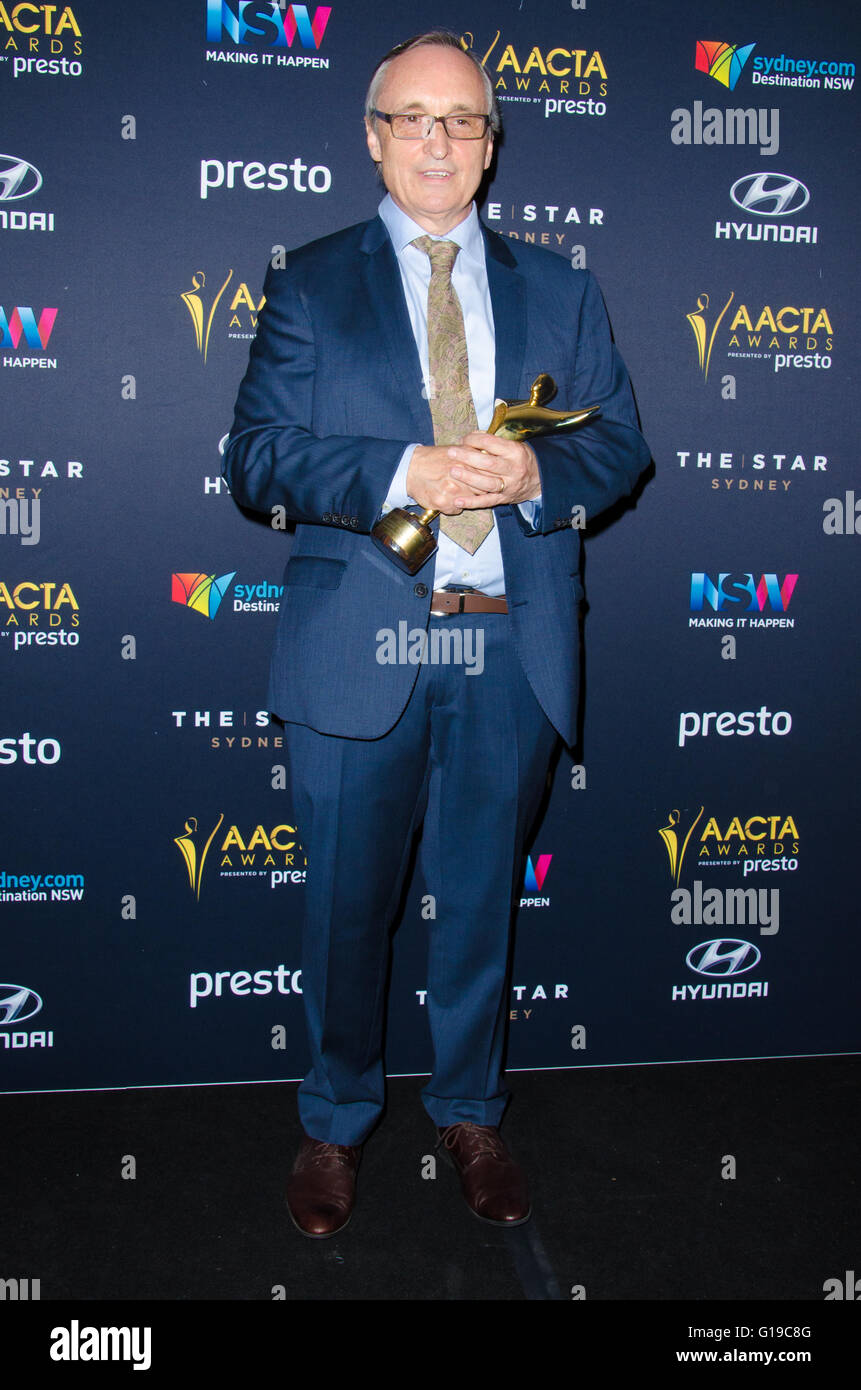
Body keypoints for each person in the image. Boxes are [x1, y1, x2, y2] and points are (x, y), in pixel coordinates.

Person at [224, 30, 650, 1238]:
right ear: (372, 137)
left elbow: (619, 445)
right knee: (345, 908)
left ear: (490, 144)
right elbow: (253, 457)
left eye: (460, 120)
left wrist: (532, 470)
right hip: (361, 649)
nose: (435, 140)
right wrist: (400, 466)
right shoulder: (307, 281)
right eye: (412, 117)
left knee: (478, 905)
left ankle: (468, 1108)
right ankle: (337, 1117)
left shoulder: (562, 287)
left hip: (506, 646)